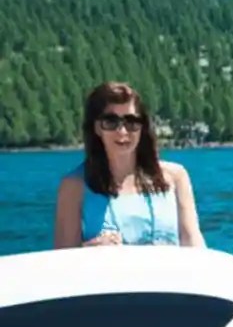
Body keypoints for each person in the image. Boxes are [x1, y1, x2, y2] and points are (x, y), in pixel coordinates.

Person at [54, 82, 204, 248]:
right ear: (97, 128)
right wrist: (90, 250)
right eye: (111, 122)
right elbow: (63, 259)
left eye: (131, 122)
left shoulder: (175, 178)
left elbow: (193, 242)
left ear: (142, 127)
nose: (122, 131)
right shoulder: (74, 186)